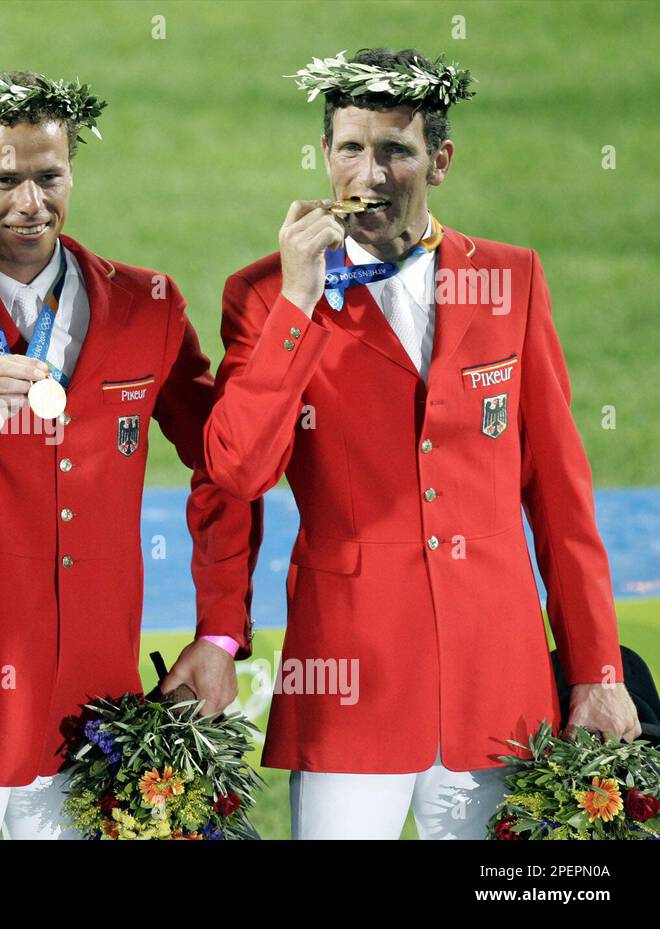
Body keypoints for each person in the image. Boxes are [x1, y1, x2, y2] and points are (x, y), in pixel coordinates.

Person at [202, 48, 641, 839]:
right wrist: (299, 303)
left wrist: (598, 672)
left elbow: (563, 503)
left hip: (499, 688)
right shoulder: (265, 292)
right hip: (350, 684)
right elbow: (238, 467)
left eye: (395, 151)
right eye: (349, 149)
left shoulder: (512, 280)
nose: (368, 175)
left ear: (439, 161)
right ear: (325, 155)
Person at [0, 71, 260, 839]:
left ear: (72, 168)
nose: (30, 203)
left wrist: (217, 633)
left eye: (49, 175)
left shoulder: (150, 306)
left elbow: (228, 463)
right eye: (4, 178)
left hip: (99, 714)